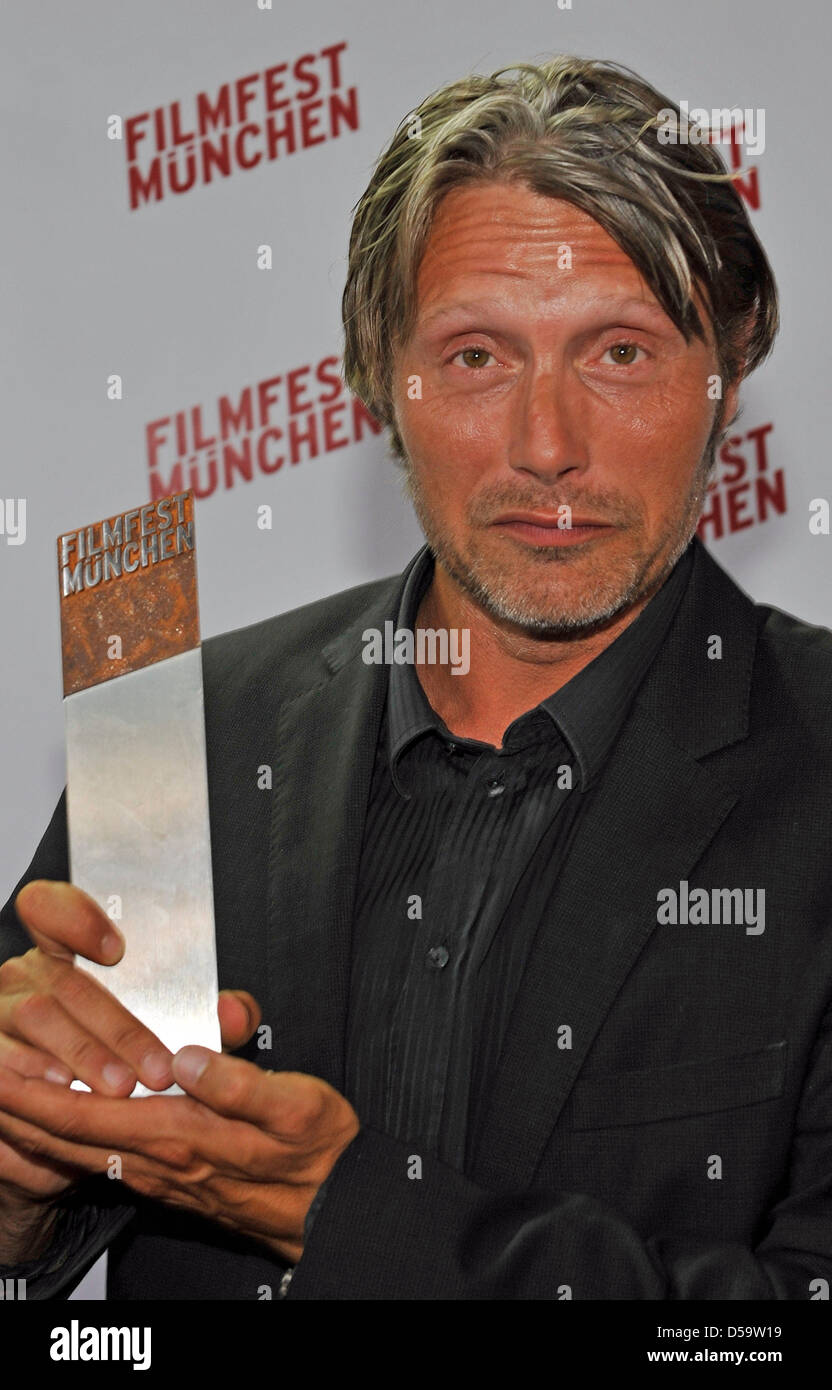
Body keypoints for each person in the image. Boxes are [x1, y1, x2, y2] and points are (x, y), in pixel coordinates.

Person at [1, 54, 830, 1301]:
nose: (546, 448)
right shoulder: (177, 737)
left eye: (618, 351)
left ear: (731, 367)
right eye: (477, 358)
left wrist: (341, 1214)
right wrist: (18, 1180)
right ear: (373, 378)